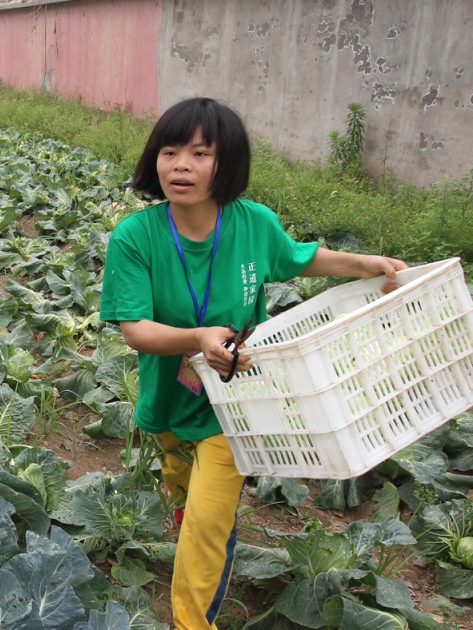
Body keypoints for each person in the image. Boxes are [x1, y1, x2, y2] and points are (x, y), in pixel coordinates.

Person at [100, 97, 407, 629]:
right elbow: (135, 330)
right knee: (183, 493)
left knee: (206, 524)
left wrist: (363, 264)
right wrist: (197, 337)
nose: (181, 166)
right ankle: (199, 523)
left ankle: (191, 622)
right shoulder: (136, 236)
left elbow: (299, 257)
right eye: (170, 152)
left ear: (228, 163)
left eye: (200, 153)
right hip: (170, 399)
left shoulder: (254, 224)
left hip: (235, 402)